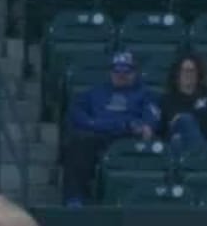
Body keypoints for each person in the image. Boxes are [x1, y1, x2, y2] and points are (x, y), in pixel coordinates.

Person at [60, 51, 160, 206]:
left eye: (126, 71)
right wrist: (114, 124)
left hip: (127, 140)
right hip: (98, 137)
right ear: (110, 72)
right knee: (78, 143)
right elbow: (75, 112)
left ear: (135, 73)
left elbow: (149, 121)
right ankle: (75, 199)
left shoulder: (145, 94)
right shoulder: (96, 92)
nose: (121, 74)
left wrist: (140, 126)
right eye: (117, 70)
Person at [158, 52, 207, 152]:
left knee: (185, 121)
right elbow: (161, 132)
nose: (187, 74)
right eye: (184, 71)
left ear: (198, 74)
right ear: (177, 74)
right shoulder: (166, 101)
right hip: (175, 148)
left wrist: (196, 118)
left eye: (191, 71)